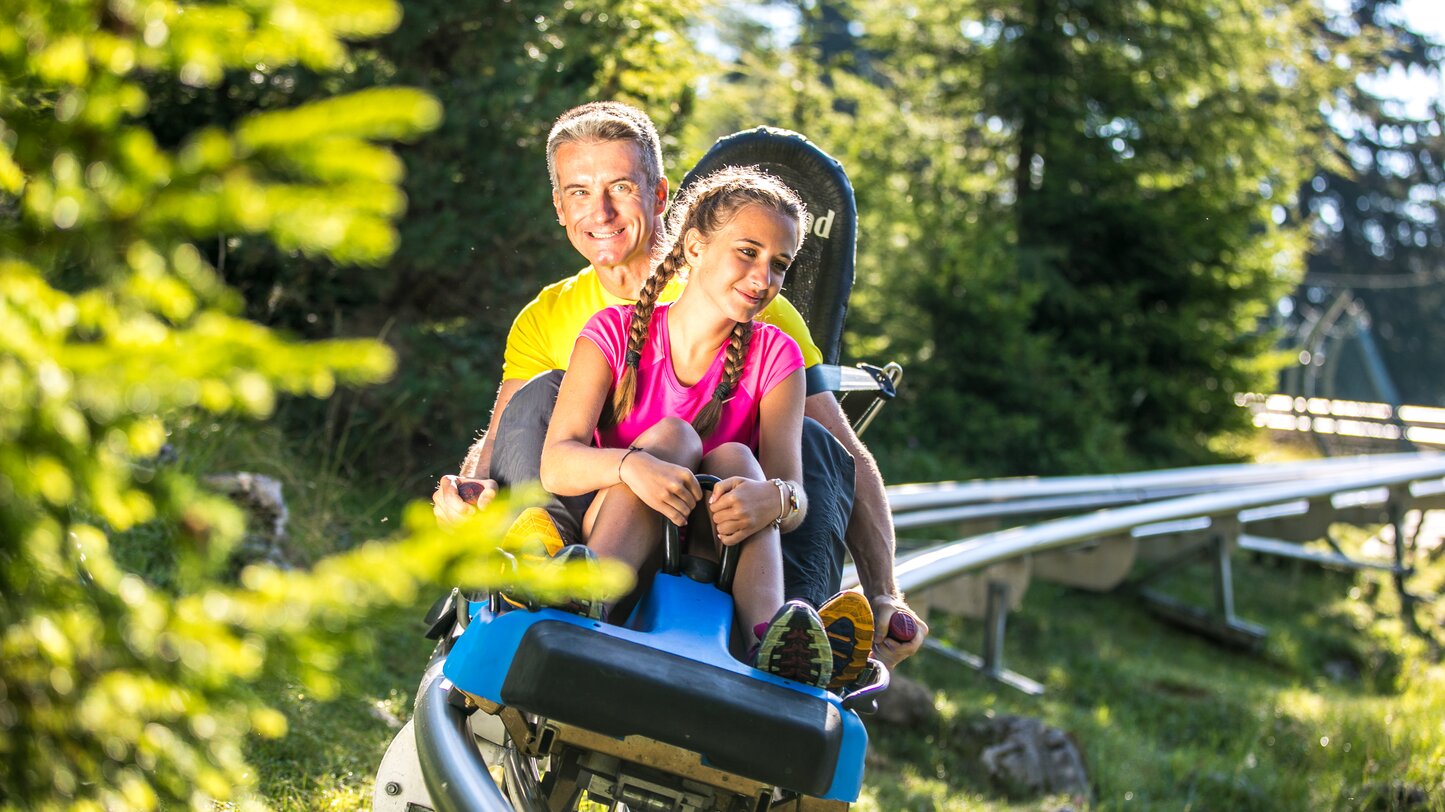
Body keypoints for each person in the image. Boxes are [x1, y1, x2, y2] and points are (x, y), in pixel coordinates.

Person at [432, 101, 927, 672]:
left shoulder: (761, 315)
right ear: (559, 207)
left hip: (720, 528)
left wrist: (885, 589)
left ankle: (794, 635)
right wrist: (468, 490)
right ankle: (543, 566)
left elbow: (838, 458)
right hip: (598, 505)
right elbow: (503, 442)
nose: (603, 212)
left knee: (789, 446)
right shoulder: (560, 319)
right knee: (543, 394)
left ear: (661, 195)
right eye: (579, 192)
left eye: (620, 186)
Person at [540, 165, 834, 687]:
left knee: (739, 463)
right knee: (674, 438)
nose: (763, 278)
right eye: (747, 251)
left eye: (779, 264)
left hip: (714, 543)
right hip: (625, 527)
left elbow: (794, 493)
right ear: (695, 248)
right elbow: (557, 465)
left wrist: (777, 500)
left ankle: (771, 643)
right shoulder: (612, 331)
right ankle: (589, 598)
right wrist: (634, 468)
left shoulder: (777, 356)